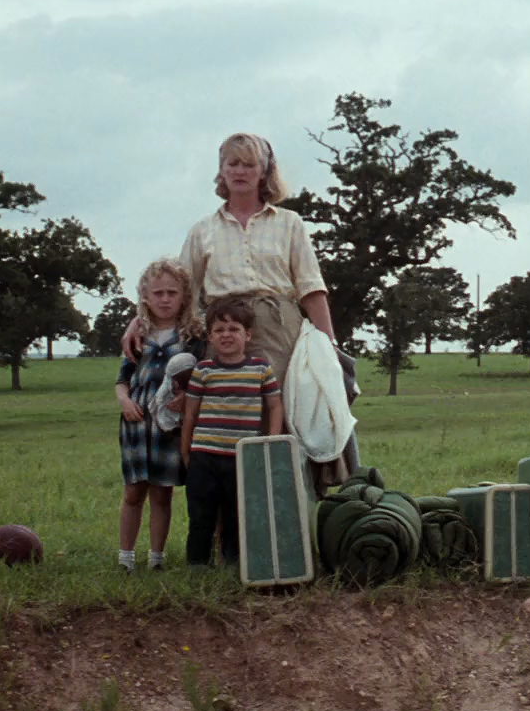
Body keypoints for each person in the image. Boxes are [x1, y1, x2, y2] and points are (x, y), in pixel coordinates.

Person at [126, 132, 357, 488]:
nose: (240, 171)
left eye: (249, 164)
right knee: (223, 415)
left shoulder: (289, 223)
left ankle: (286, 506)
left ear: (264, 172)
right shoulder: (203, 230)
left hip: (278, 324)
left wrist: (329, 344)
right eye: (232, 163)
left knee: (279, 410)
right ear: (221, 171)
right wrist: (138, 320)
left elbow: (311, 288)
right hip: (222, 327)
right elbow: (181, 287)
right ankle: (229, 528)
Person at [113, 259, 204, 572]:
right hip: (136, 424)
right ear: (145, 297)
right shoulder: (138, 336)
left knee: (162, 494)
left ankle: (156, 558)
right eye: (158, 293)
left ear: (183, 297)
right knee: (134, 491)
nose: (165, 299)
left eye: (172, 292)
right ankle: (126, 558)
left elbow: (199, 378)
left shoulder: (191, 336)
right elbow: (122, 379)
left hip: (169, 428)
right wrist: (124, 401)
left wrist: (186, 399)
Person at [180, 298, 283, 568]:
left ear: (247, 335)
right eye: (219, 329)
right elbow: (190, 413)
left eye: (234, 328)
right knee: (201, 515)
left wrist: (269, 442)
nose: (226, 335)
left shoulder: (261, 369)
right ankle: (198, 565)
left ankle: (235, 564)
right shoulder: (203, 371)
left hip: (242, 457)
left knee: (236, 514)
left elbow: (275, 407)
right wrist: (186, 450)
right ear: (210, 337)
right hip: (204, 456)